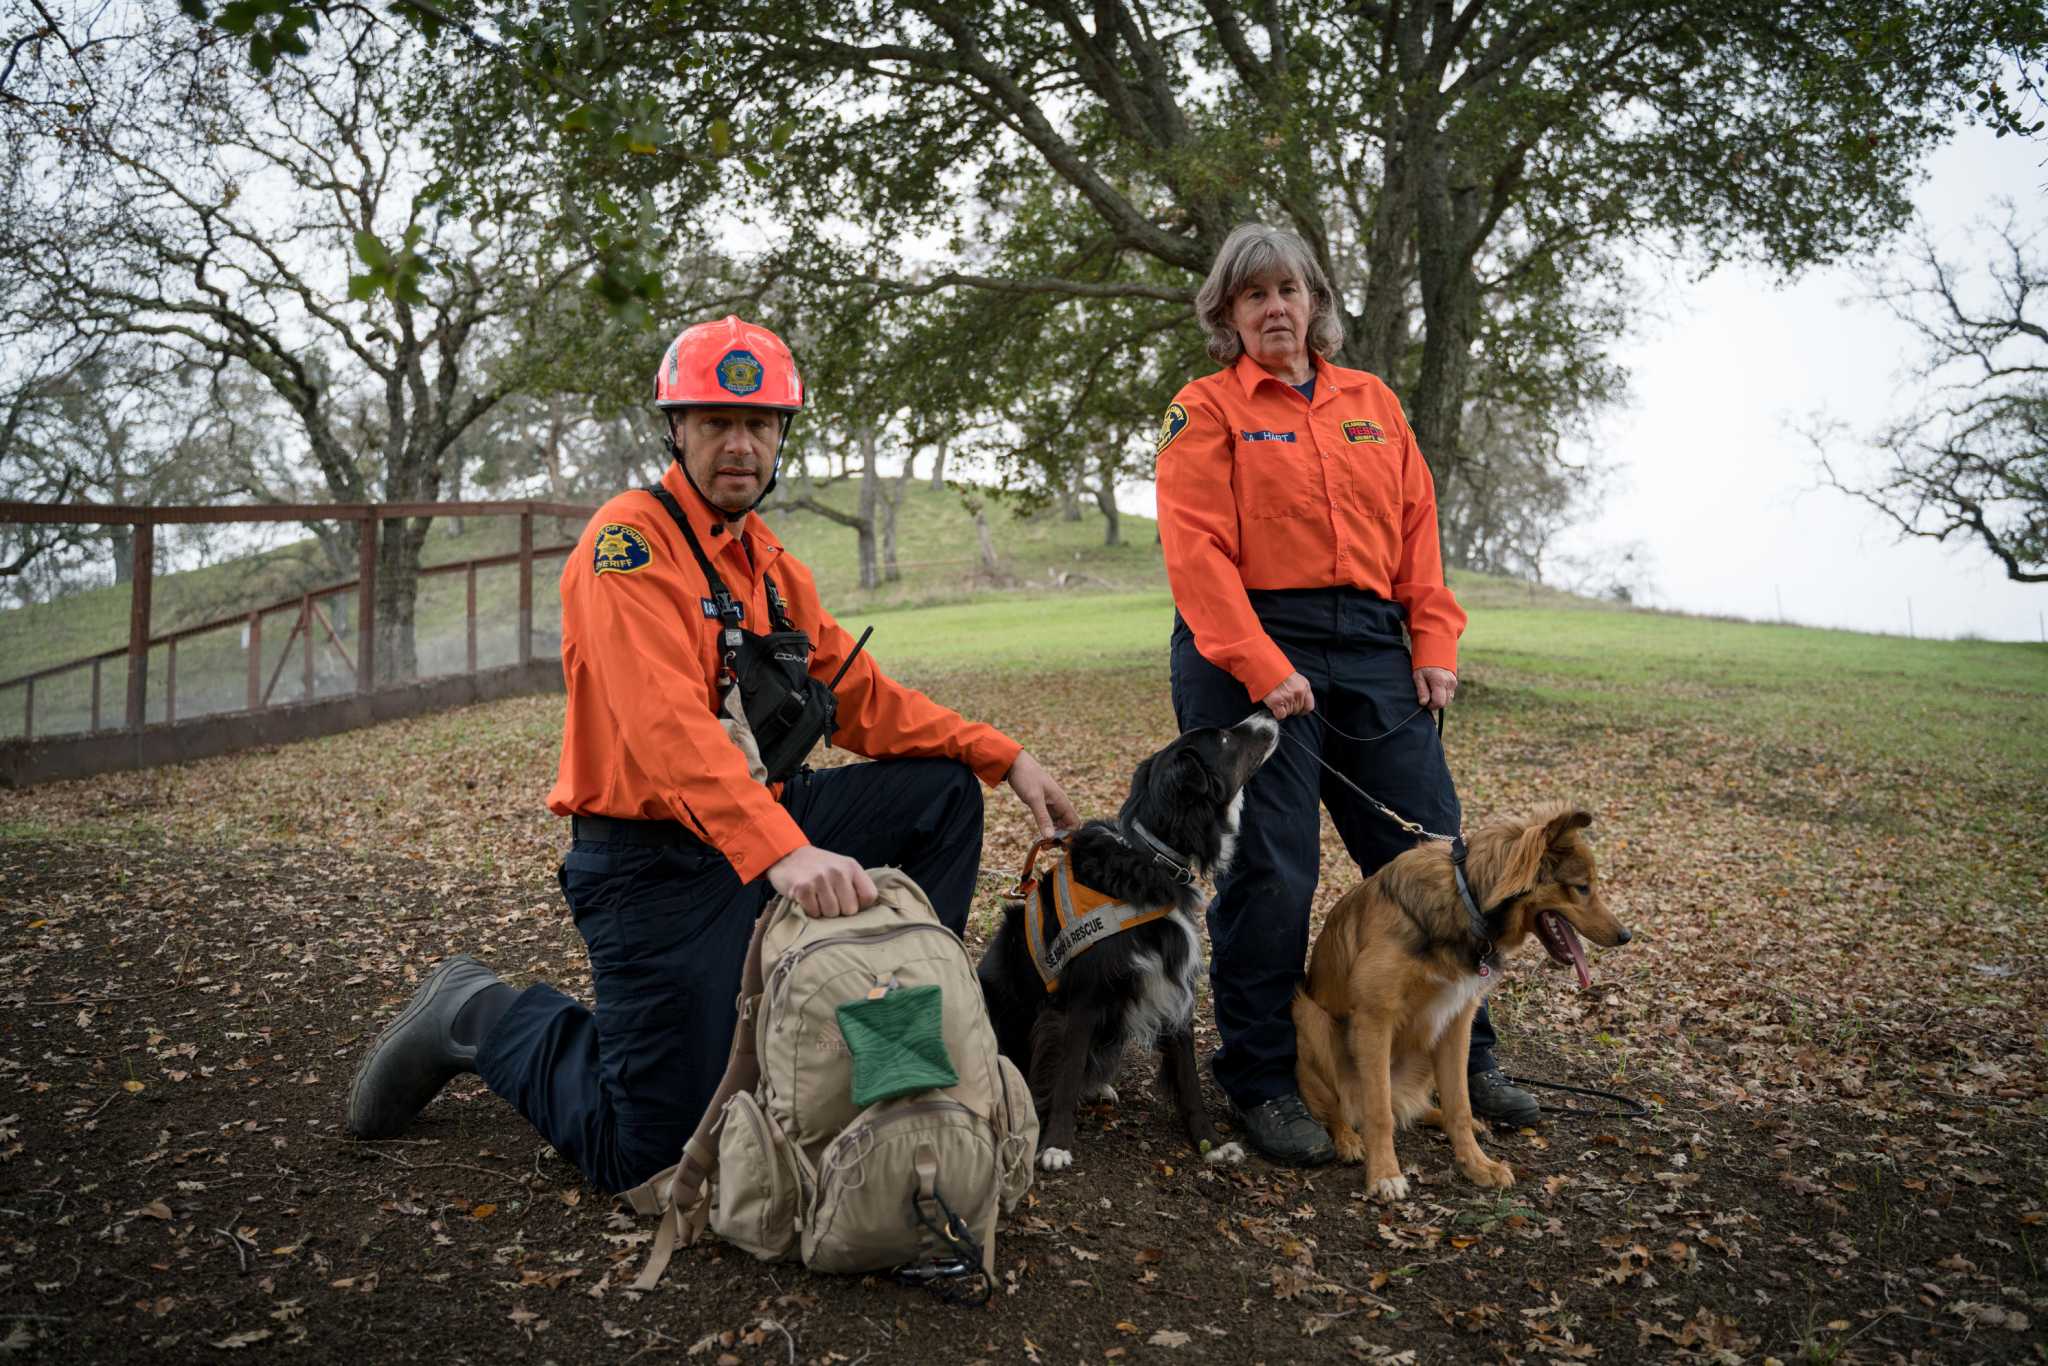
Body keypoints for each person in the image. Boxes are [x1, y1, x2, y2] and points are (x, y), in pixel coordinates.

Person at [346, 315, 1079, 1194]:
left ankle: (892, 1039)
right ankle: (476, 1012)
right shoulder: (627, 545)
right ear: (676, 430)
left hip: (762, 830)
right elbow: (664, 729)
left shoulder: (772, 568)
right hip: (650, 863)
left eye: (759, 424)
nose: (740, 445)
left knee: (943, 794)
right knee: (651, 1155)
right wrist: (784, 851)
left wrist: (1005, 757)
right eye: (716, 422)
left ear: (781, 437)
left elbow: (861, 696)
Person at [1155, 225, 1541, 1166]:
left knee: (1435, 860)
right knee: (1273, 870)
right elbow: (1195, 552)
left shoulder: (1373, 402)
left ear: (1316, 302)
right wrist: (1260, 663)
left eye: (1289, 290)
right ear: (1228, 314)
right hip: (1247, 644)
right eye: (1254, 295)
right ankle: (1262, 1079)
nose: (1275, 308)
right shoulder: (1203, 409)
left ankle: (1466, 1057)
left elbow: (1418, 532)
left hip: (1371, 645)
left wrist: (1433, 642)